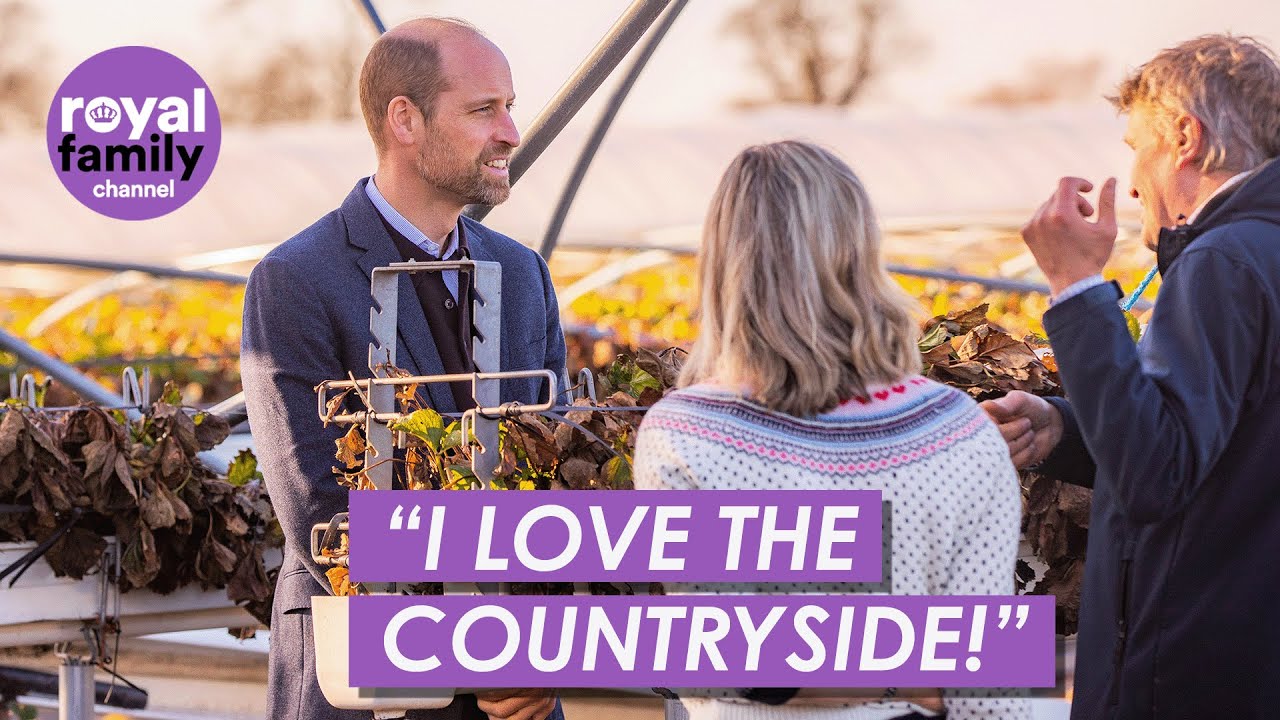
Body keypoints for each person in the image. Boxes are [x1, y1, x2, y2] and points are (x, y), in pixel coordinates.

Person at [633, 141, 1030, 720]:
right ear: (862, 252)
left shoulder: (685, 434)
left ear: (722, 264)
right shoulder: (957, 429)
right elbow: (989, 700)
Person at [240, 18, 566, 720]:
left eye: (510, 106)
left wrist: (539, 652)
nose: (510, 131)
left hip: (520, 694)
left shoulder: (521, 273)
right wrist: (476, 651)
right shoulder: (298, 278)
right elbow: (322, 511)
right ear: (405, 119)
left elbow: (562, 475)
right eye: (484, 110)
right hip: (364, 685)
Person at [981, 34, 1280, 719]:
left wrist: (1077, 286)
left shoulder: (1223, 261)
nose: (1137, 182)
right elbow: (1224, 442)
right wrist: (1065, 426)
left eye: (1136, 149)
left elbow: (1157, 472)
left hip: (1185, 670)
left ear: (1185, 136)